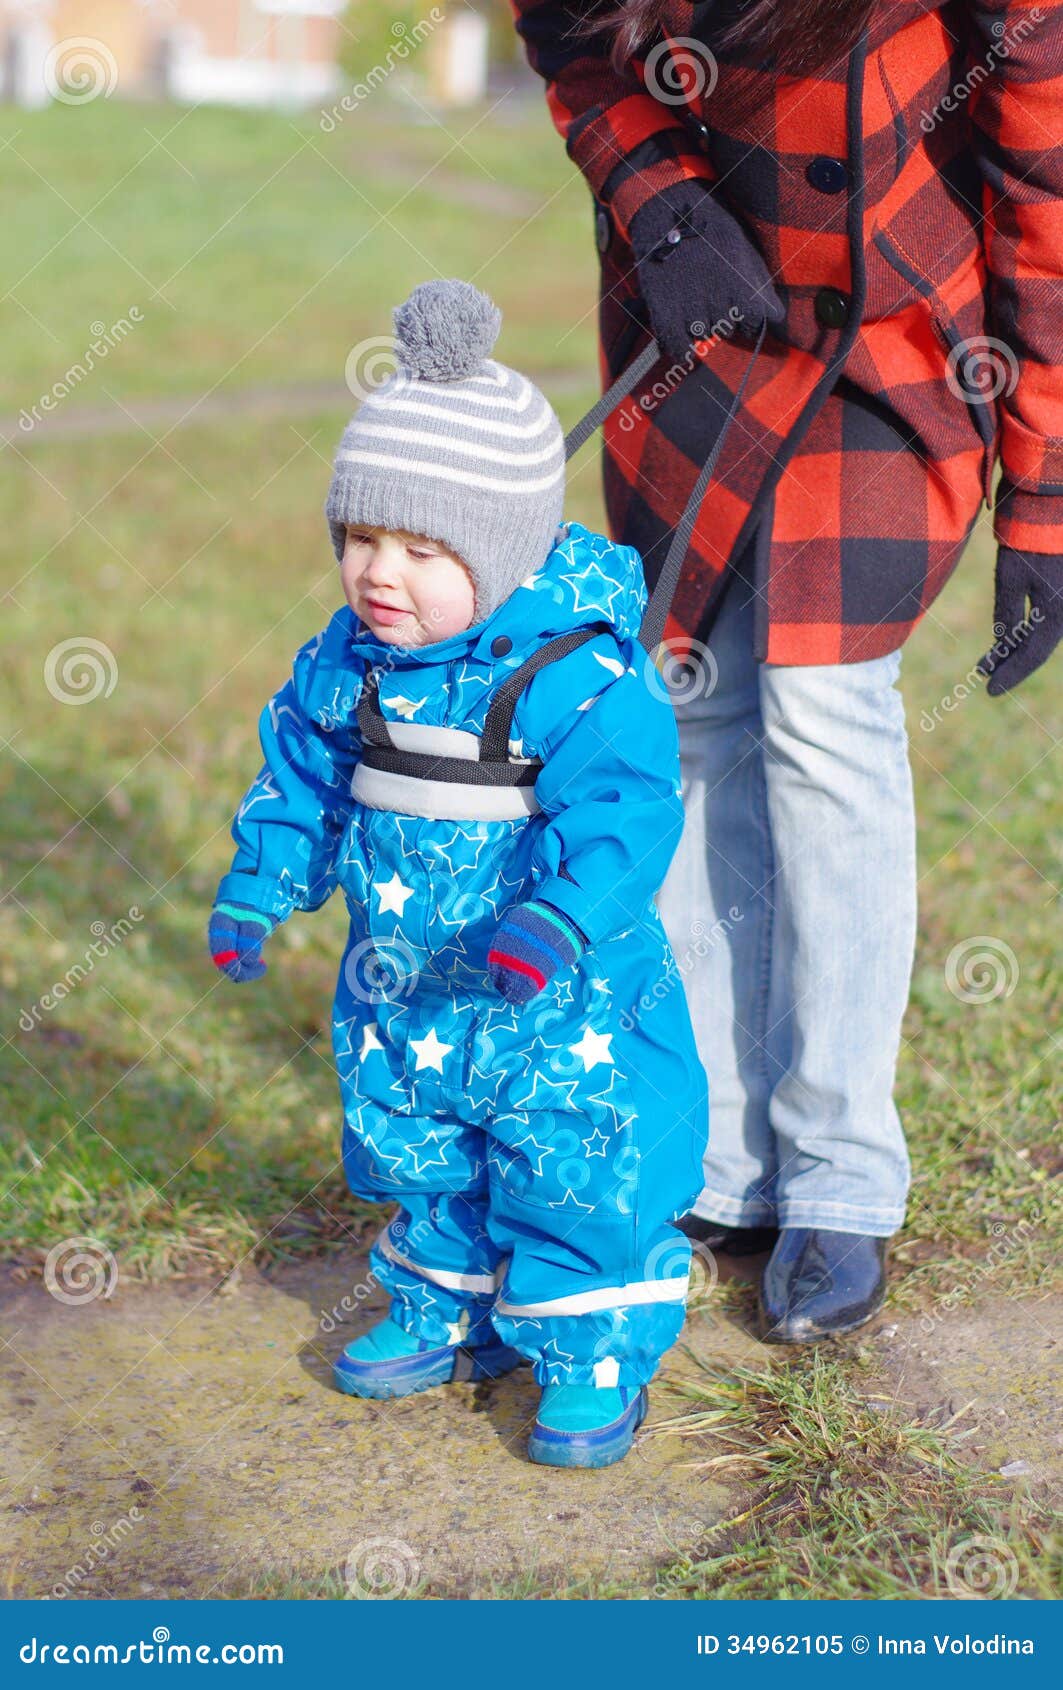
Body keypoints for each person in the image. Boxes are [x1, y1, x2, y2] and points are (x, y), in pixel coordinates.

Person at [511, 0, 1063, 1340]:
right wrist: (655, 191)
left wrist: (1042, 503)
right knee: (697, 707)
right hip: (702, 319)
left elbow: (1048, 195)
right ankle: (719, 1161)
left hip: (898, 351)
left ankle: (837, 1177)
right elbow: (568, 41)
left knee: (820, 712)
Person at [207, 279, 708, 1468]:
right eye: (359, 539)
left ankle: (588, 1354)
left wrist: (560, 918)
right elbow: (301, 776)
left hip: (555, 989)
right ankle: (446, 1297)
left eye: (421, 549)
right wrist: (262, 882)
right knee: (417, 1133)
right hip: (408, 979)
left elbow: (624, 812)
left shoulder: (573, 672)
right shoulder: (352, 665)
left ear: (501, 549)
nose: (380, 573)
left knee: (573, 1154)